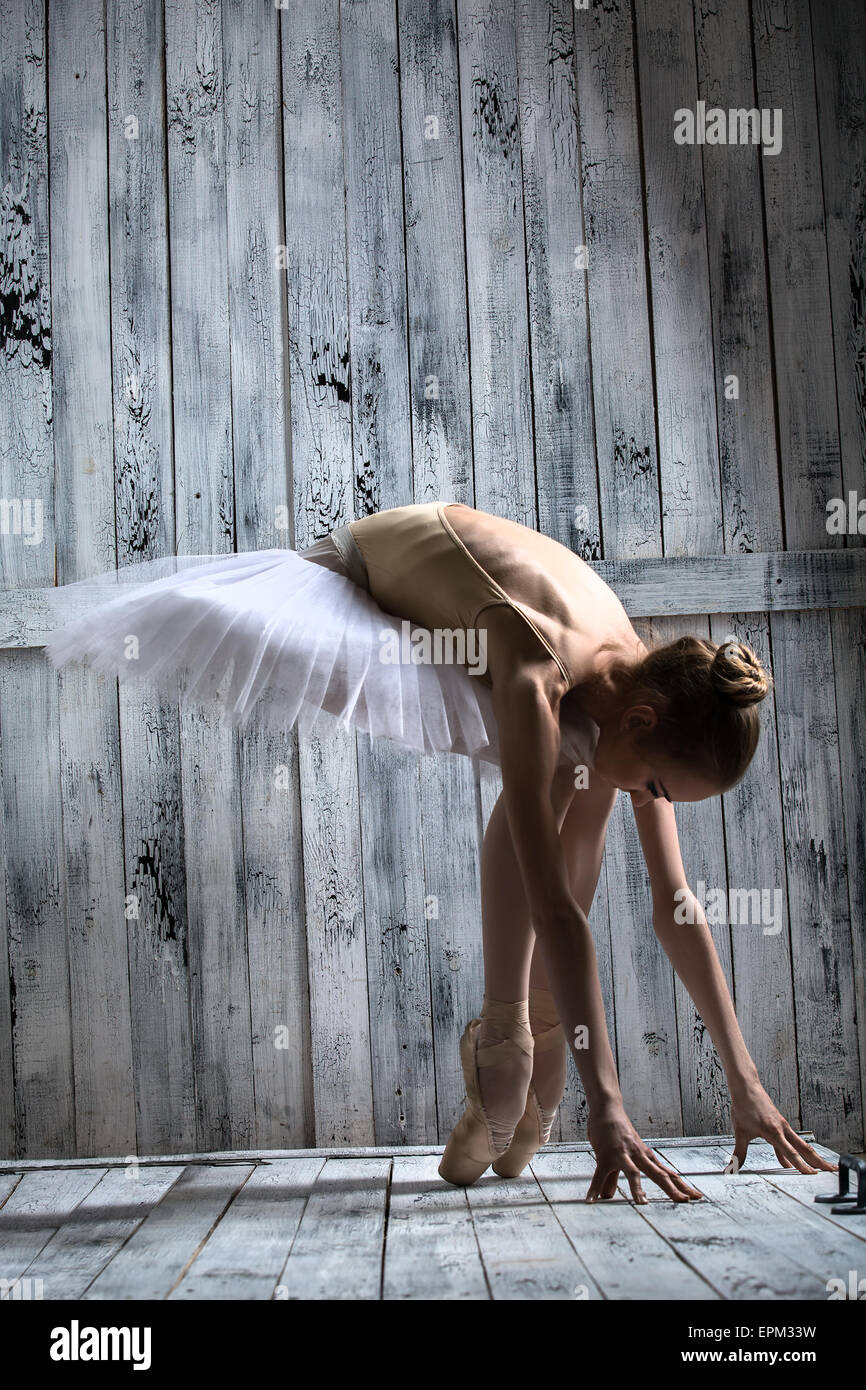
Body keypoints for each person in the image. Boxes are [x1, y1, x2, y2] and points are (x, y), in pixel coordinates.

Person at [44, 499, 836, 1197]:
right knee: (567, 767)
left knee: (587, 771)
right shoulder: (541, 674)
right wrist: (611, 1104)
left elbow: (676, 900)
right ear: (643, 723)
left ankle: (538, 1042)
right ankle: (508, 1038)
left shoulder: (636, 685)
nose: (650, 804)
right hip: (366, 581)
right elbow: (554, 908)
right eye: (659, 790)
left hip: (501, 633)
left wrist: (747, 1082)